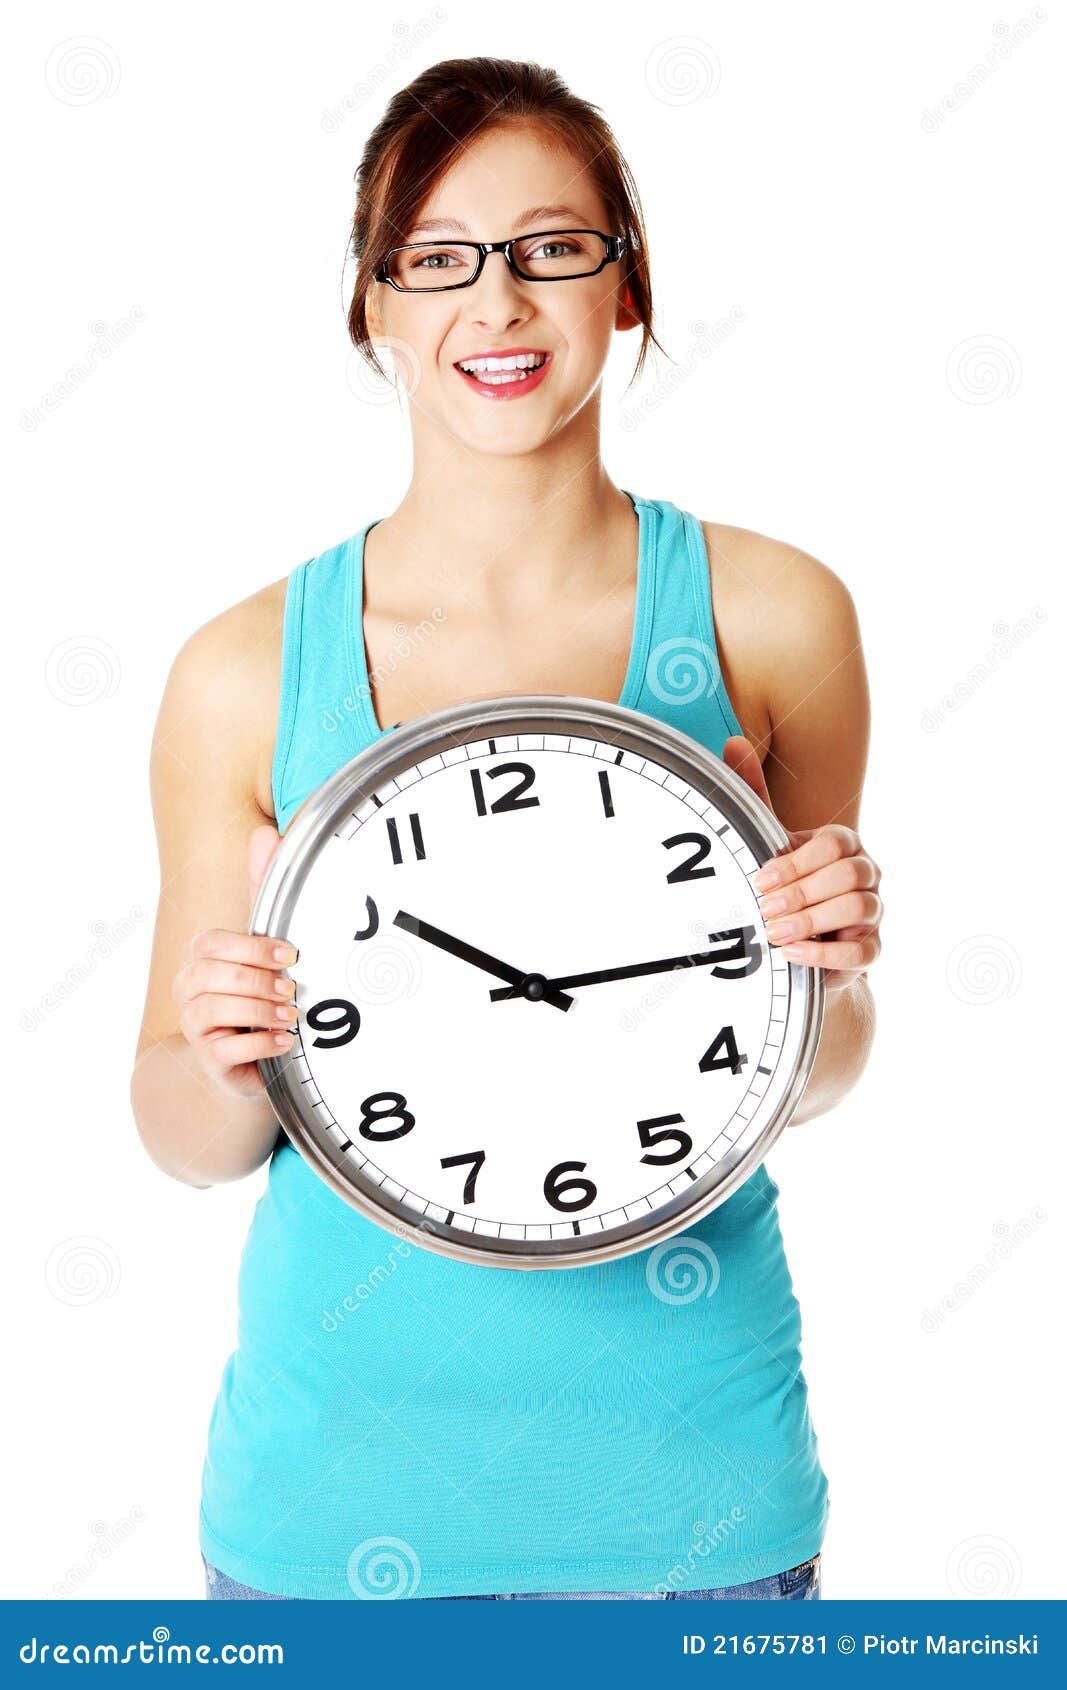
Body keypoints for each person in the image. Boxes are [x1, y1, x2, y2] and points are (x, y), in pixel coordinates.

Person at [130, 56, 881, 1602]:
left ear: (629, 285)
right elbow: (181, 1133)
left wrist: (832, 962)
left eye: (553, 247)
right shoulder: (244, 669)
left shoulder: (773, 616)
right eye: (439, 258)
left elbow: (816, 1072)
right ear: (374, 306)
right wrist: (222, 1048)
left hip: (698, 1508)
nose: (500, 301)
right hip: (327, 1516)